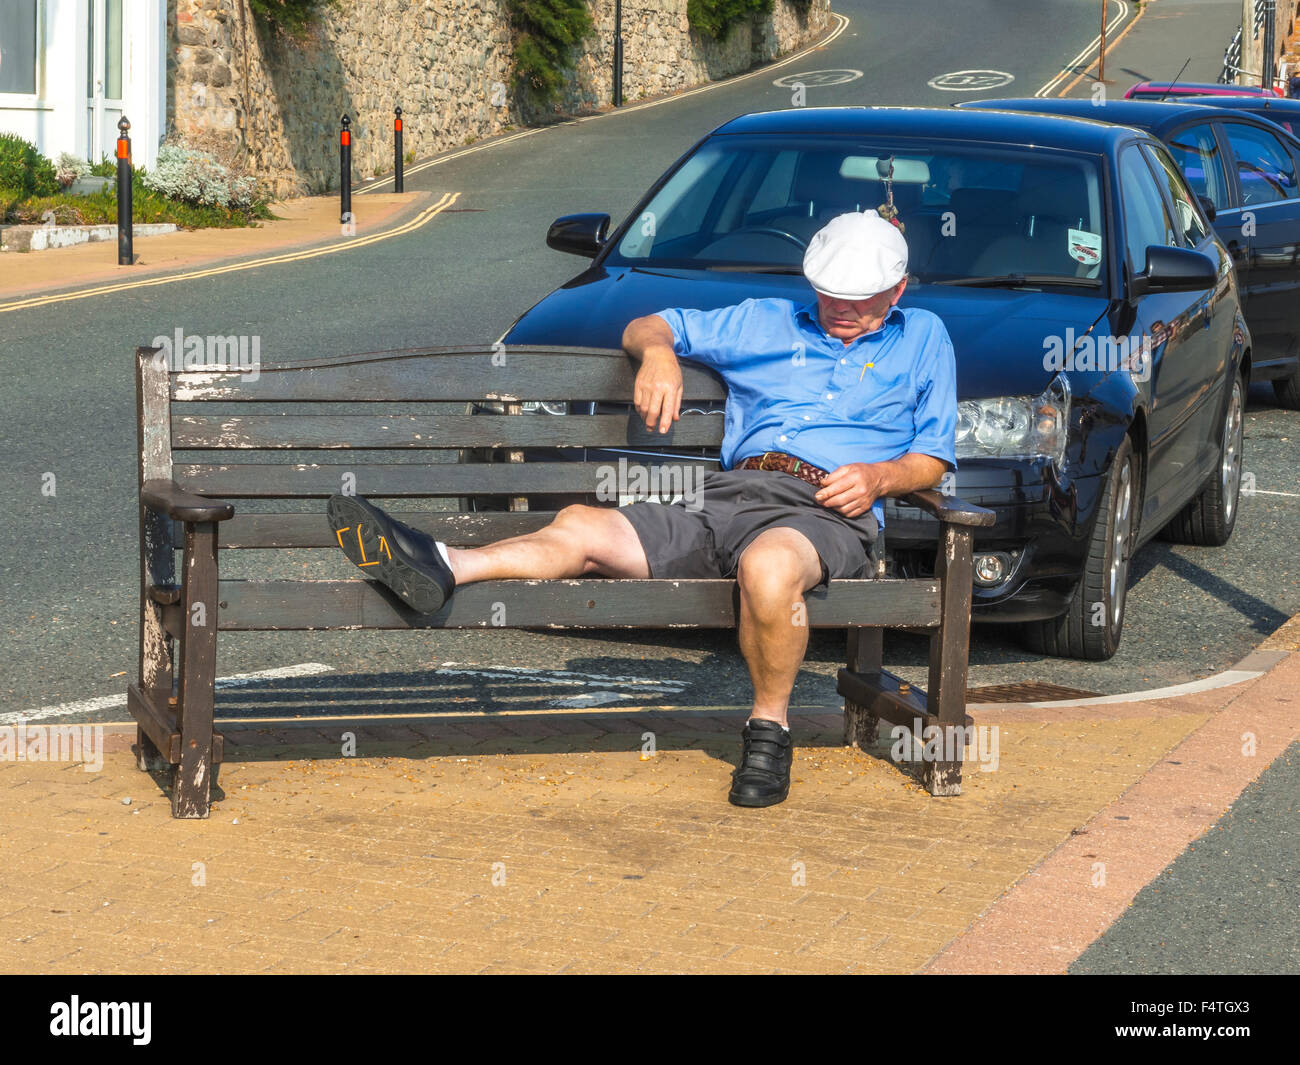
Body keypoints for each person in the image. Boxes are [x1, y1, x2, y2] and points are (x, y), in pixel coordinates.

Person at [327, 210, 958, 808]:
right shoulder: (765, 321)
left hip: (825, 507)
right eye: (830, 293)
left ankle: (768, 734)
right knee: (580, 524)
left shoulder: (925, 338)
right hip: (729, 496)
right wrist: (658, 355)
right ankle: (443, 563)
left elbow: (933, 459)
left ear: (898, 289)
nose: (843, 308)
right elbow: (647, 325)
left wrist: (880, 476)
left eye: (862, 298)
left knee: (768, 569)